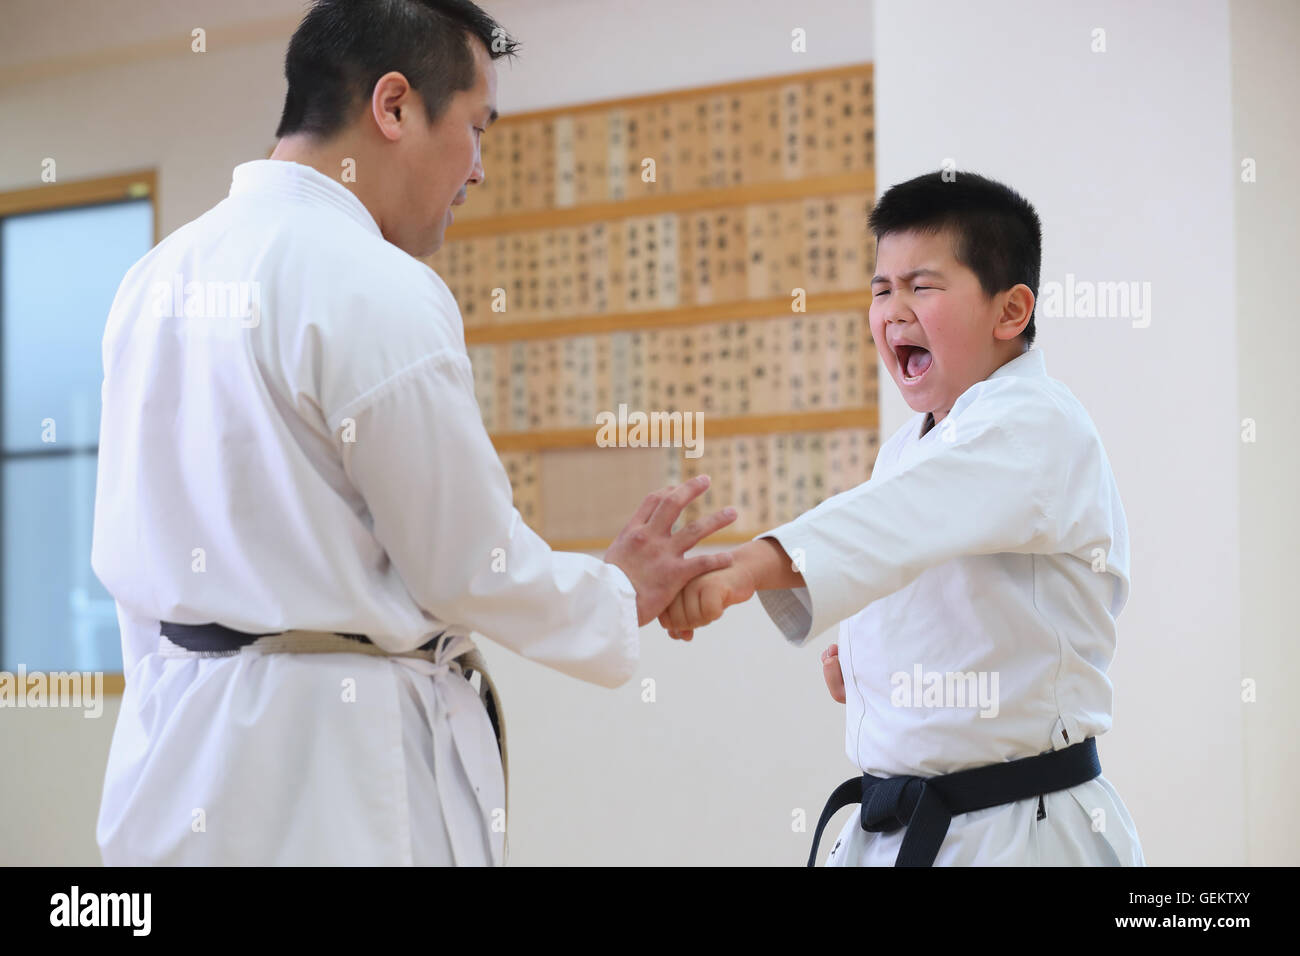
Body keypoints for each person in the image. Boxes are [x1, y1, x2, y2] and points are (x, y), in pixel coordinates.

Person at [91, 0, 736, 866]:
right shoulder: (373, 283)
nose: (476, 170)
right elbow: (466, 562)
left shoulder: (154, 275)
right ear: (394, 107)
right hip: (335, 772)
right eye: (476, 128)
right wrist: (614, 591)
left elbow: (139, 572)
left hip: (172, 756)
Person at [659, 171, 1145, 867]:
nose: (893, 310)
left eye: (922, 287)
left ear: (1010, 312)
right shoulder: (912, 444)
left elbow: (898, 521)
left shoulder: (1040, 424)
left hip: (1018, 832)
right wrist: (874, 669)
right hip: (903, 826)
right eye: (881, 289)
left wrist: (744, 567)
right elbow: (920, 560)